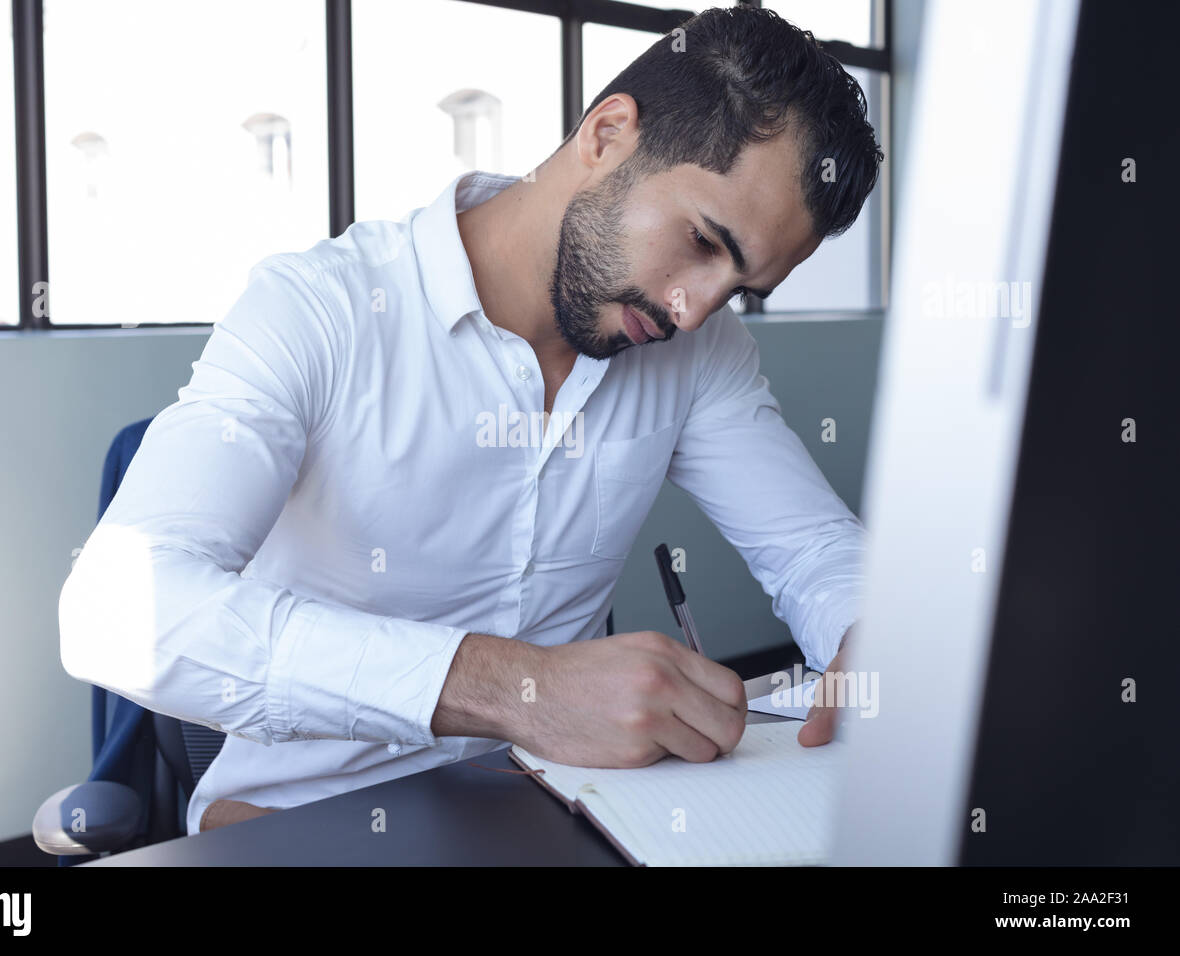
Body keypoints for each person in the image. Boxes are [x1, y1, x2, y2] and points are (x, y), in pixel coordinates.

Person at [58, 5, 883, 834]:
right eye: (704, 243)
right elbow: (118, 612)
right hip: (302, 823)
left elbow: (811, 548)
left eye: (740, 289)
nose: (697, 311)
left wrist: (869, 636)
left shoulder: (698, 352)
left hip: (559, 815)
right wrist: (516, 688)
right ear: (607, 136)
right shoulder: (320, 309)